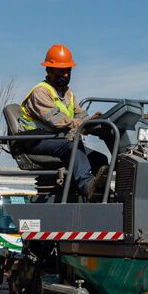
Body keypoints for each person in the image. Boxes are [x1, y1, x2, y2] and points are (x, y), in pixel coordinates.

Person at [18, 44, 110, 201]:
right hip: (35, 140)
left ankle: (102, 196)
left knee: (100, 160)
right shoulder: (41, 92)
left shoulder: (68, 93)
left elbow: (80, 114)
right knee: (72, 145)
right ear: (49, 70)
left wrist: (95, 122)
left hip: (55, 139)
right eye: (61, 71)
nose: (66, 74)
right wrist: (83, 125)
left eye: (68, 70)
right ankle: (87, 186)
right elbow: (58, 121)